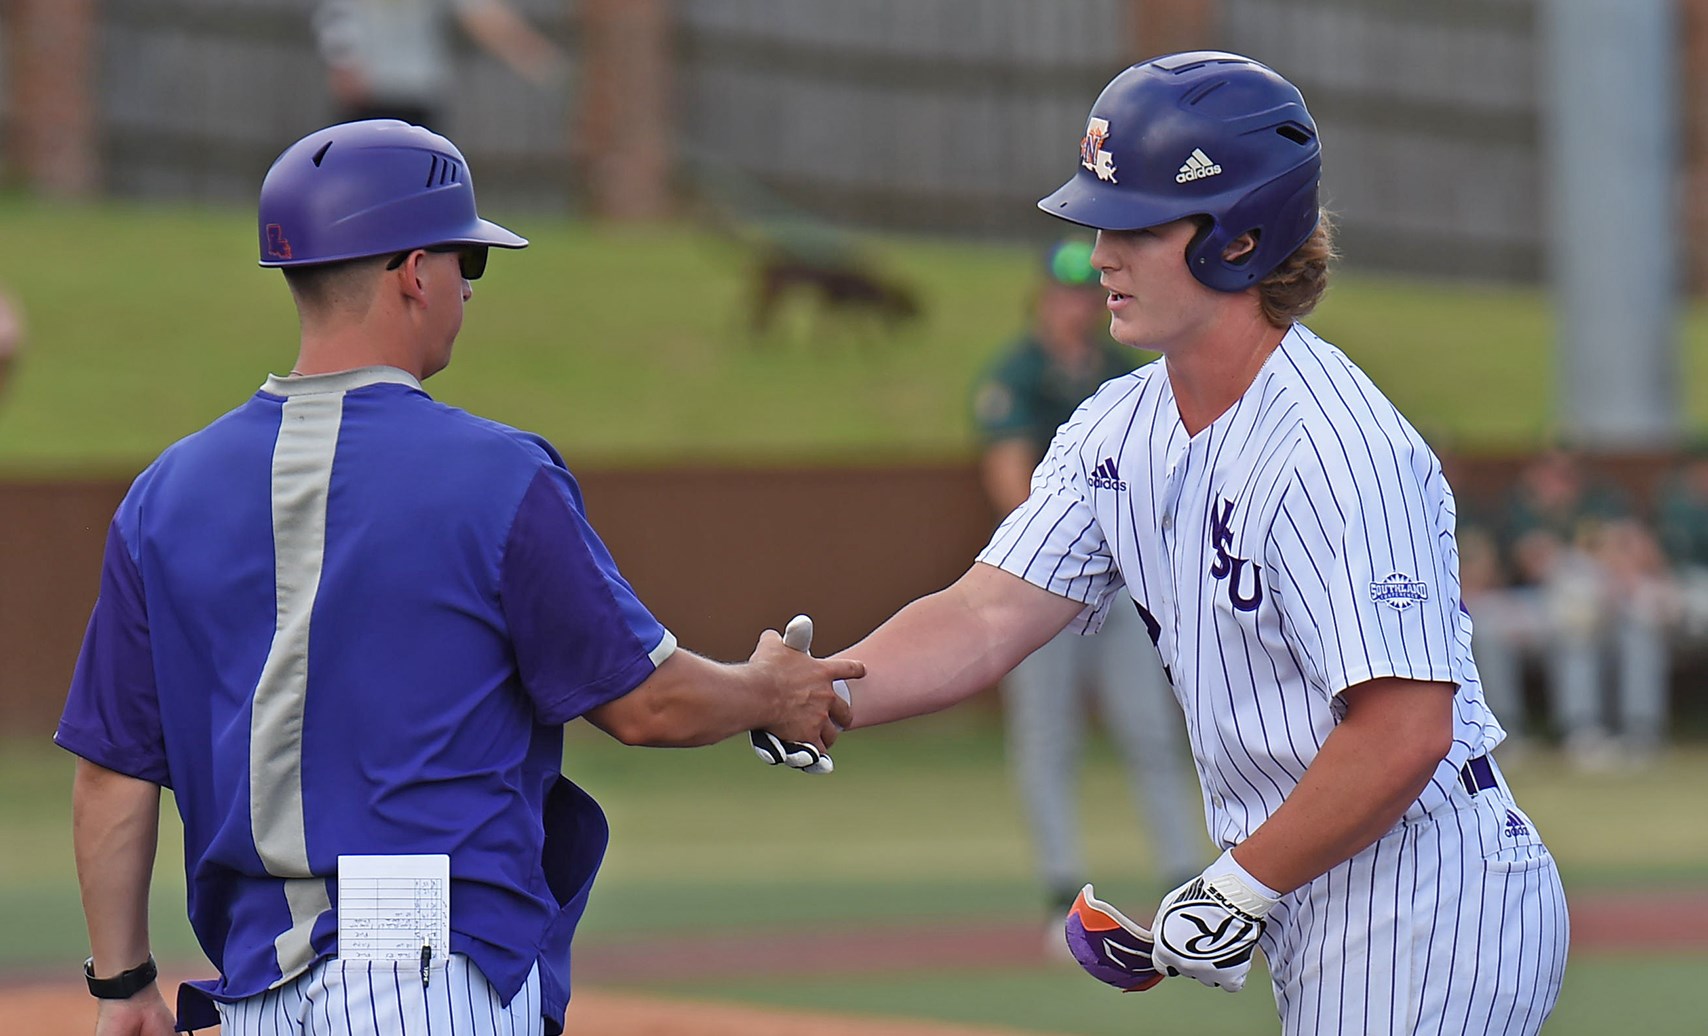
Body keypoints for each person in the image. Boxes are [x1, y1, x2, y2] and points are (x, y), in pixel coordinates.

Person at [813, 52, 1568, 1033]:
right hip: (1326, 886)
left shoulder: (1337, 446)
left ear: (1240, 238)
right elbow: (986, 611)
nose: (1097, 256)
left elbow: (1404, 730)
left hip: (1426, 893)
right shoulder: (1117, 424)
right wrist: (824, 688)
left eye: (1132, 224)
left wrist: (1238, 885)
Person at [55, 119, 859, 1036]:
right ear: (413, 270)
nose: (468, 292)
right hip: (432, 981)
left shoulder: (165, 494)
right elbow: (649, 706)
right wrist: (769, 691)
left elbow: (112, 773)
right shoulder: (497, 475)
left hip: (254, 993)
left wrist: (121, 988)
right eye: (467, 264)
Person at [971, 238, 1200, 931]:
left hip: (1125, 582)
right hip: (1044, 580)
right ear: (1041, 299)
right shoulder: (1017, 373)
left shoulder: (1120, 370)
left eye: (1085, 293)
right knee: (1047, 735)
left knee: (1151, 728)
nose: (1076, 305)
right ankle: (1058, 891)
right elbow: (1010, 480)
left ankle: (1184, 882)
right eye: (1064, 293)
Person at [1489, 447, 1670, 768]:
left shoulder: (1601, 502)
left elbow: (1633, 551)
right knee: (1568, 629)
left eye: (1566, 472)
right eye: (1549, 472)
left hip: (1604, 599)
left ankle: (1640, 730)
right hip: (1539, 603)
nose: (1558, 481)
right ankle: (1574, 731)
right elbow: (1530, 564)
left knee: (1636, 629)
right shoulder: (1520, 510)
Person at [313, 0, 566, 130]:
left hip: (418, 90)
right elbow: (336, 14)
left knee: (415, 183)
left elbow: (483, 16)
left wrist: (535, 56)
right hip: (367, 92)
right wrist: (344, 62)